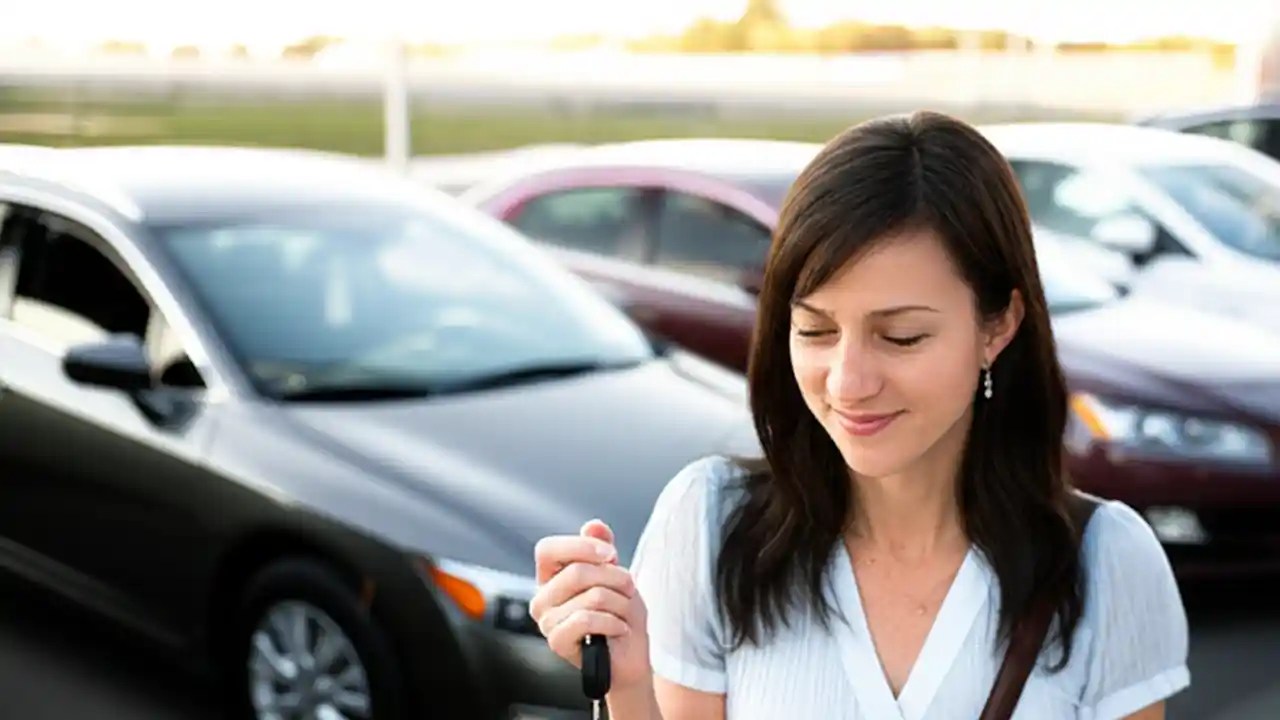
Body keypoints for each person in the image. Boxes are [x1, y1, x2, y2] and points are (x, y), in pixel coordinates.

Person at [529, 111, 1191, 720]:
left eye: (901, 337)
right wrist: (627, 684)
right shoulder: (712, 526)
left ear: (998, 325)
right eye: (815, 331)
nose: (848, 381)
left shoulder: (1107, 564)